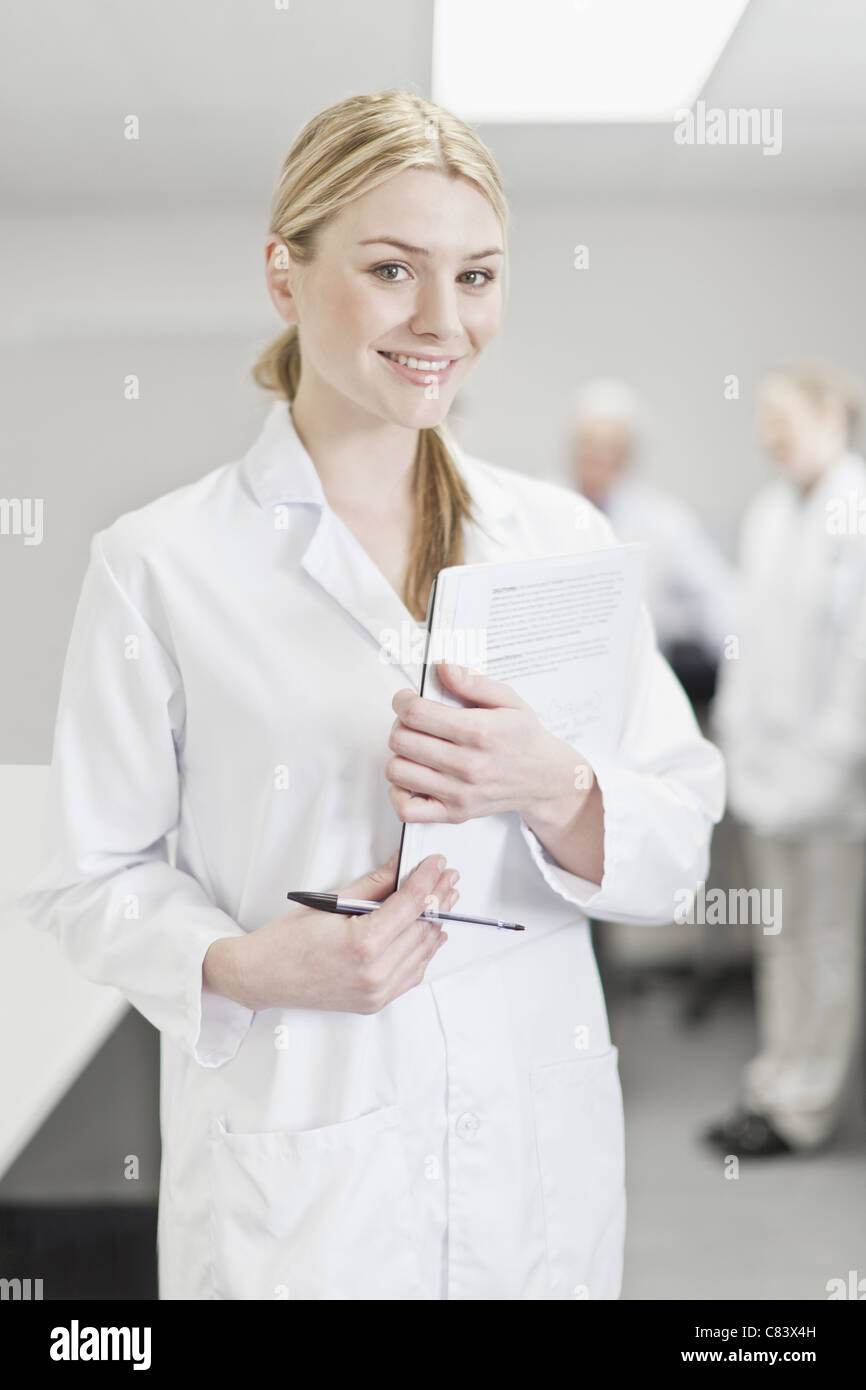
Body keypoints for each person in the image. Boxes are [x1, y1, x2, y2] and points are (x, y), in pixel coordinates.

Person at [20, 90, 724, 1300]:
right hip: (304, 1171)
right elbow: (89, 877)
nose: (441, 321)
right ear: (284, 276)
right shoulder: (160, 565)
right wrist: (247, 966)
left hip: (531, 1163)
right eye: (392, 269)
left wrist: (550, 782)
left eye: (478, 276)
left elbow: (676, 839)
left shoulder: (552, 536)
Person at [706, 364, 866, 1157]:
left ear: (831, 416)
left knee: (828, 943)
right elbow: (746, 637)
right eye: (763, 419)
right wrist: (736, 734)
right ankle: (772, 1081)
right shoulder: (769, 511)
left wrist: (832, 755)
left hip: (838, 784)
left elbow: (857, 655)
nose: (771, 434)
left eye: (785, 418)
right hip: (767, 769)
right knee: (780, 936)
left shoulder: (859, 508)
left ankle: (808, 1106)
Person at [571, 379, 736, 705]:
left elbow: (720, 597)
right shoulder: (542, 505)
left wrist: (740, 676)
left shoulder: (665, 520)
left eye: (610, 450)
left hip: (638, 688)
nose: (598, 459)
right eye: (590, 448)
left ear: (628, 455)